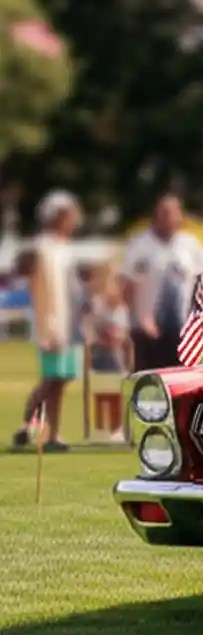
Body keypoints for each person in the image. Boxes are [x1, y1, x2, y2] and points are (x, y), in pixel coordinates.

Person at [12, 190, 82, 451]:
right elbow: (37, 287)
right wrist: (49, 327)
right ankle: (27, 424)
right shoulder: (42, 247)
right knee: (51, 379)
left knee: (61, 380)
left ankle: (53, 434)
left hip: (68, 323)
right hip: (51, 324)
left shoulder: (65, 248)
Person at [121, 194, 203, 371]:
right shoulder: (139, 244)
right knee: (148, 380)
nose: (167, 217)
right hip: (146, 327)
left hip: (183, 327)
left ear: (180, 216)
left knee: (180, 379)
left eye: (172, 213)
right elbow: (126, 286)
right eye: (163, 212)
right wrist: (135, 318)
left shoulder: (191, 245)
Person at [84, 262, 131, 374]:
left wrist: (116, 337)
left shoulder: (122, 309)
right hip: (98, 355)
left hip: (114, 357)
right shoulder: (96, 304)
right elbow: (88, 331)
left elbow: (124, 335)